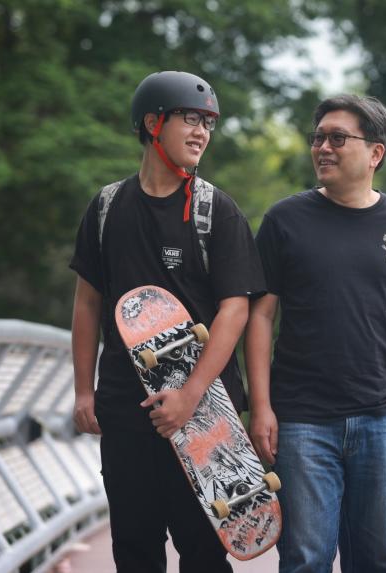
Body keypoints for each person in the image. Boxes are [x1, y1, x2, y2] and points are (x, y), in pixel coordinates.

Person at [69, 71, 265, 573]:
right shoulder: (107, 208)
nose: (202, 132)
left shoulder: (215, 211)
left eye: (208, 124)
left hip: (205, 411)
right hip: (124, 404)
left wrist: (190, 394)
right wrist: (83, 391)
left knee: (202, 551)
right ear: (154, 123)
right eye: (190, 119)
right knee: (134, 547)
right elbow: (88, 303)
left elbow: (235, 310)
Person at [244, 94, 386, 573]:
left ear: (375, 153)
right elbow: (260, 316)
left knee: (373, 559)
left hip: (379, 417)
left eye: (338, 138)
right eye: (318, 138)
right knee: (306, 558)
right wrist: (262, 406)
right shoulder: (284, 220)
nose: (323, 147)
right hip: (301, 420)